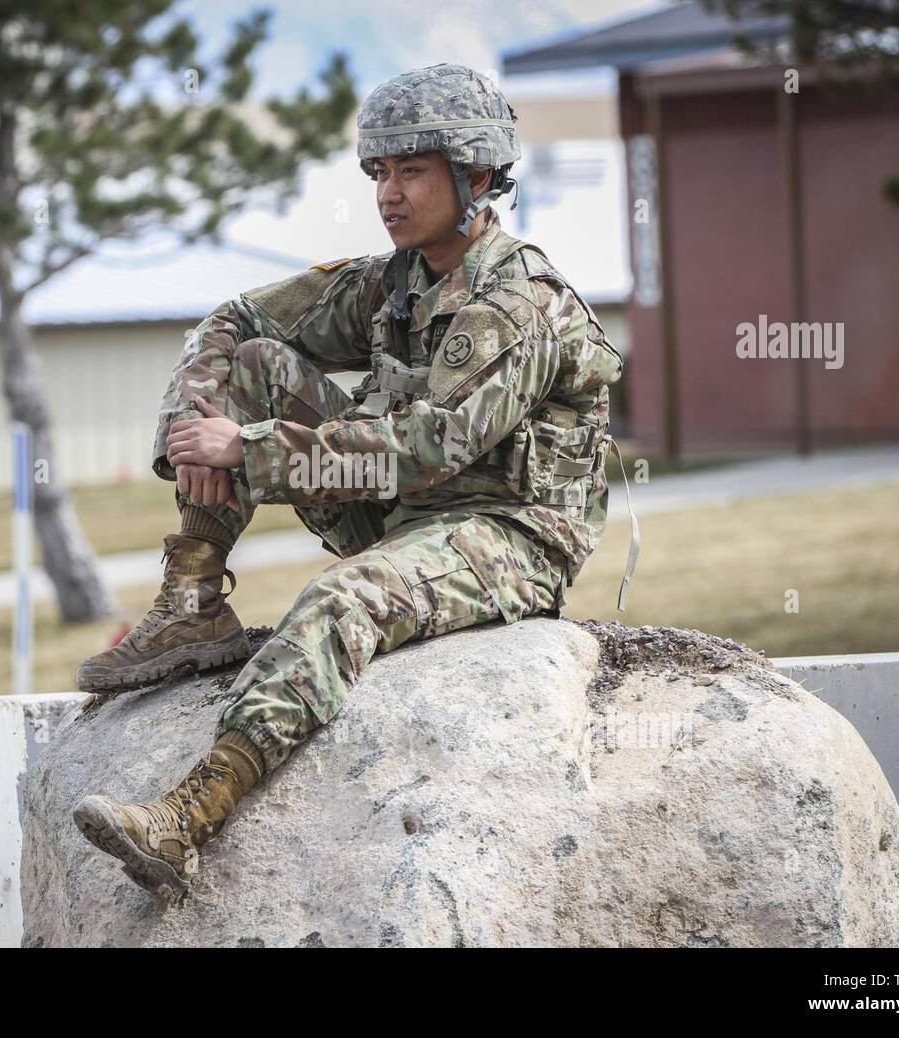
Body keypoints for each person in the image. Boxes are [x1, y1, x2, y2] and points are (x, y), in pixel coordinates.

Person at [72, 63, 628, 903]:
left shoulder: (518, 305)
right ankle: (192, 606)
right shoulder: (393, 280)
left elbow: (426, 446)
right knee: (252, 367)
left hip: (506, 536)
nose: (388, 194)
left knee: (342, 599)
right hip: (405, 515)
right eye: (380, 173)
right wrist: (197, 426)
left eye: (412, 171)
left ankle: (187, 820)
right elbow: (237, 320)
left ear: (476, 176)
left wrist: (248, 450)